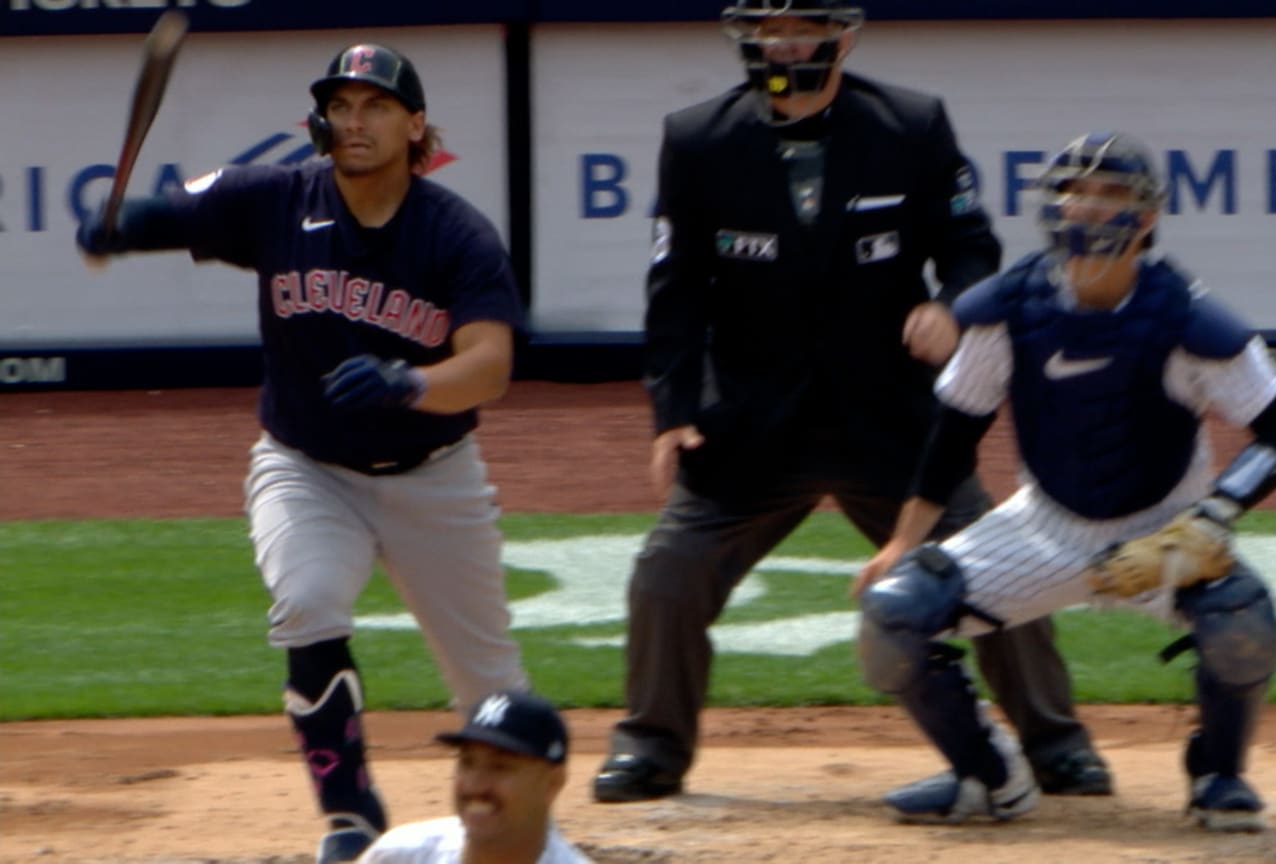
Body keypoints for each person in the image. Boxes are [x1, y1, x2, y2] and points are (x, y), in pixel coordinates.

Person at [592, 0, 1109, 806]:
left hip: (892, 424)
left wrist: (954, 309)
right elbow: (677, 292)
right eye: (769, 27)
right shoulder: (697, 138)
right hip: (750, 427)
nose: (783, 42)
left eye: (801, 26)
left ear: (842, 35)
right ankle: (650, 747)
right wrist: (673, 414)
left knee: (1002, 566)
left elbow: (972, 247)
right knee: (666, 575)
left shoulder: (909, 124)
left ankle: (1056, 742)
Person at [77, 44, 529, 863]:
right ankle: (351, 818)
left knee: (490, 683)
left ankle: (525, 835)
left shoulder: (454, 232)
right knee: (307, 602)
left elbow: (490, 365)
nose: (354, 122)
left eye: (375, 107)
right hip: (306, 465)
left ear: (414, 125)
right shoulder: (277, 198)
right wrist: (125, 225)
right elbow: (173, 212)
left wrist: (407, 380)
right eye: (342, 106)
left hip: (434, 477)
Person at [851, 131, 1276, 829]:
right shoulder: (1010, 307)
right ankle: (987, 776)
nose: (1089, 208)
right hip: (1042, 528)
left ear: (1147, 216)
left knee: (1242, 621)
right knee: (892, 613)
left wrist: (1213, 517)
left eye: (1111, 194)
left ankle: (1219, 776)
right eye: (1074, 192)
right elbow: (955, 434)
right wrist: (901, 542)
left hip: (1168, 530)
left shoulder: (1185, 316)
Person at [358, 690, 590, 864]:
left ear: (552, 783)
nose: (474, 785)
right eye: (467, 762)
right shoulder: (401, 855)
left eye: (501, 766)